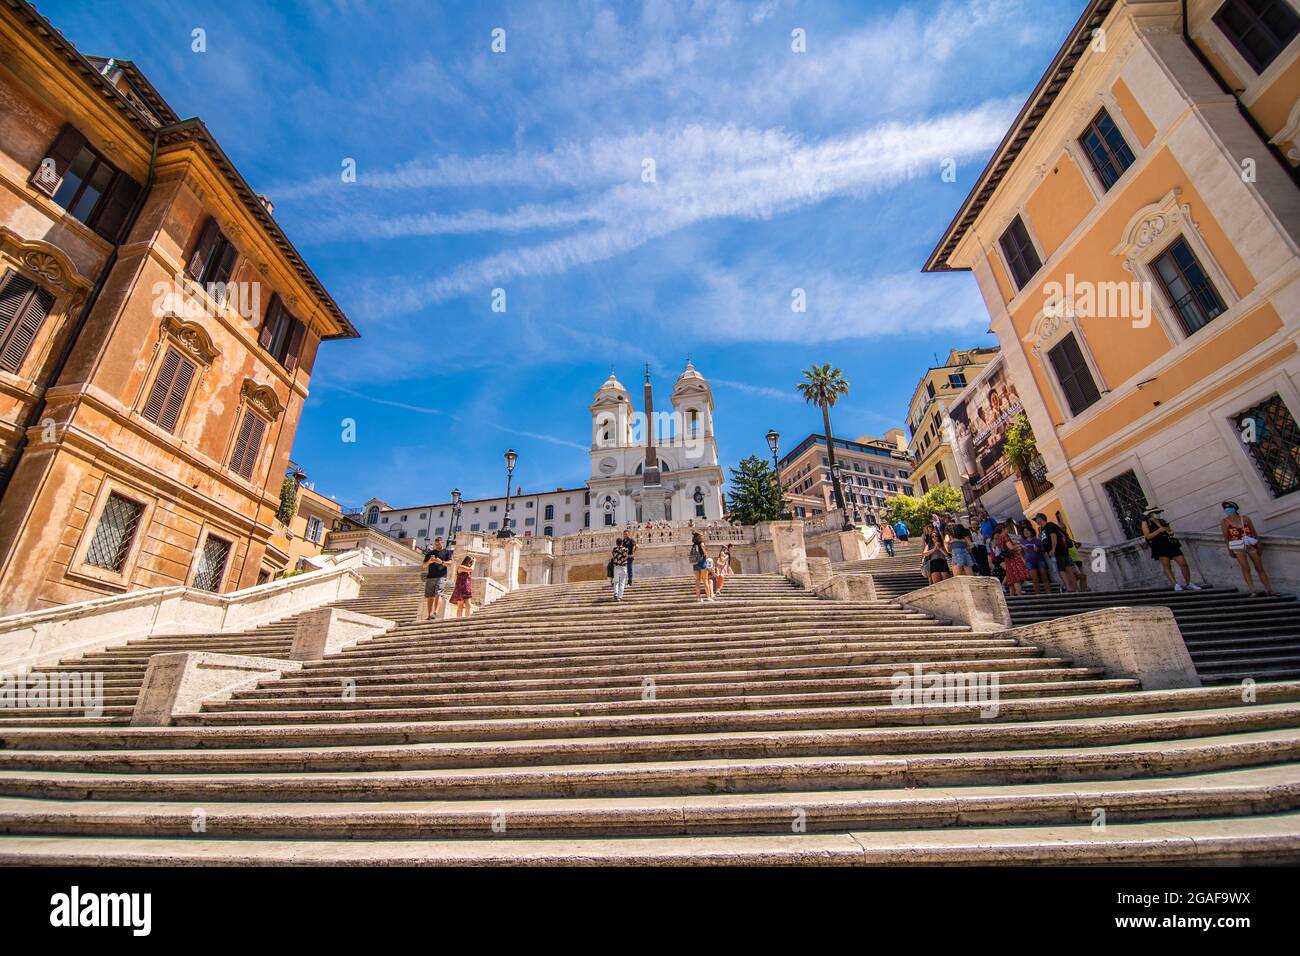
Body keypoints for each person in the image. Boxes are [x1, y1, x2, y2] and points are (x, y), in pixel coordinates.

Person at [1139, 505, 1201, 592]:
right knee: (1167, 565)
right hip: (1159, 544)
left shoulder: (1162, 521)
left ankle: (1189, 583)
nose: (1158, 514)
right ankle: (1175, 584)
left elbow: (1169, 531)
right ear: (1151, 514)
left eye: (1159, 512)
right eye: (1156, 512)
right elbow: (1147, 536)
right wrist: (1159, 530)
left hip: (1170, 543)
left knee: (1183, 563)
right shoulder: (1146, 522)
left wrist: (1169, 531)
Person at [1220, 501, 1274, 596]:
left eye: (1229, 507)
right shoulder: (1224, 522)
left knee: (1259, 567)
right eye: (1225, 508)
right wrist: (1229, 549)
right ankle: (1252, 590)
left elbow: (1253, 532)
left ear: (1235, 508)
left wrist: (1259, 544)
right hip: (1237, 546)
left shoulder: (1245, 518)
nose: (1227, 509)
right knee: (1246, 568)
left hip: (1250, 544)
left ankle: (1269, 589)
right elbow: (1226, 536)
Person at [1034, 513, 1080, 592]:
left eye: (1036, 519)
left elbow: (1053, 536)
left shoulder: (1049, 525)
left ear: (1040, 519)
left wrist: (1053, 548)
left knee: (1061, 570)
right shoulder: (1042, 529)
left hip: (1058, 551)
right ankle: (1074, 588)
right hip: (1061, 551)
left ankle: (1069, 588)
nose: (1036, 521)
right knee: (1068, 569)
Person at [420, 536, 454, 620]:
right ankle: (429, 614)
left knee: (438, 593)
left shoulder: (447, 552)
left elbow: (450, 564)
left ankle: (435, 612)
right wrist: (430, 561)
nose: (437, 545)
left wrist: (441, 562)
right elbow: (424, 565)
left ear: (442, 543)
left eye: (439, 543)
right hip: (430, 576)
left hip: (441, 576)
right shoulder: (430, 553)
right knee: (430, 596)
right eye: (436, 544)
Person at [994, 522, 1032, 596]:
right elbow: (1010, 547)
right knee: (1016, 577)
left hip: (1007, 559)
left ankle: (1012, 596)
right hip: (1013, 558)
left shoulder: (999, 539)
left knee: (1011, 578)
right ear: (1003, 529)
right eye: (1006, 528)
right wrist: (1019, 546)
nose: (1007, 530)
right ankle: (1019, 594)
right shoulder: (1005, 536)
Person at [1018, 520, 1049, 594]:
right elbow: (1021, 552)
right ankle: (1037, 594)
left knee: (1044, 577)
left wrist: (1037, 549)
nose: (1026, 532)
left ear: (1031, 531)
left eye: (1028, 531)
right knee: (1035, 579)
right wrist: (1023, 559)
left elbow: (1043, 550)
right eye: (1024, 531)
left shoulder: (1037, 540)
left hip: (1040, 560)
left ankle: (1049, 593)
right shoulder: (1022, 541)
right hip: (1029, 561)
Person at [690, 532, 715, 603]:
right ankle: (709, 597)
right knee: (705, 580)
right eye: (702, 536)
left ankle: (698, 598)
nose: (703, 537)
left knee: (697, 581)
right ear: (699, 537)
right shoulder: (702, 544)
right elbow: (705, 553)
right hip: (702, 562)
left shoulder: (693, 545)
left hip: (695, 563)